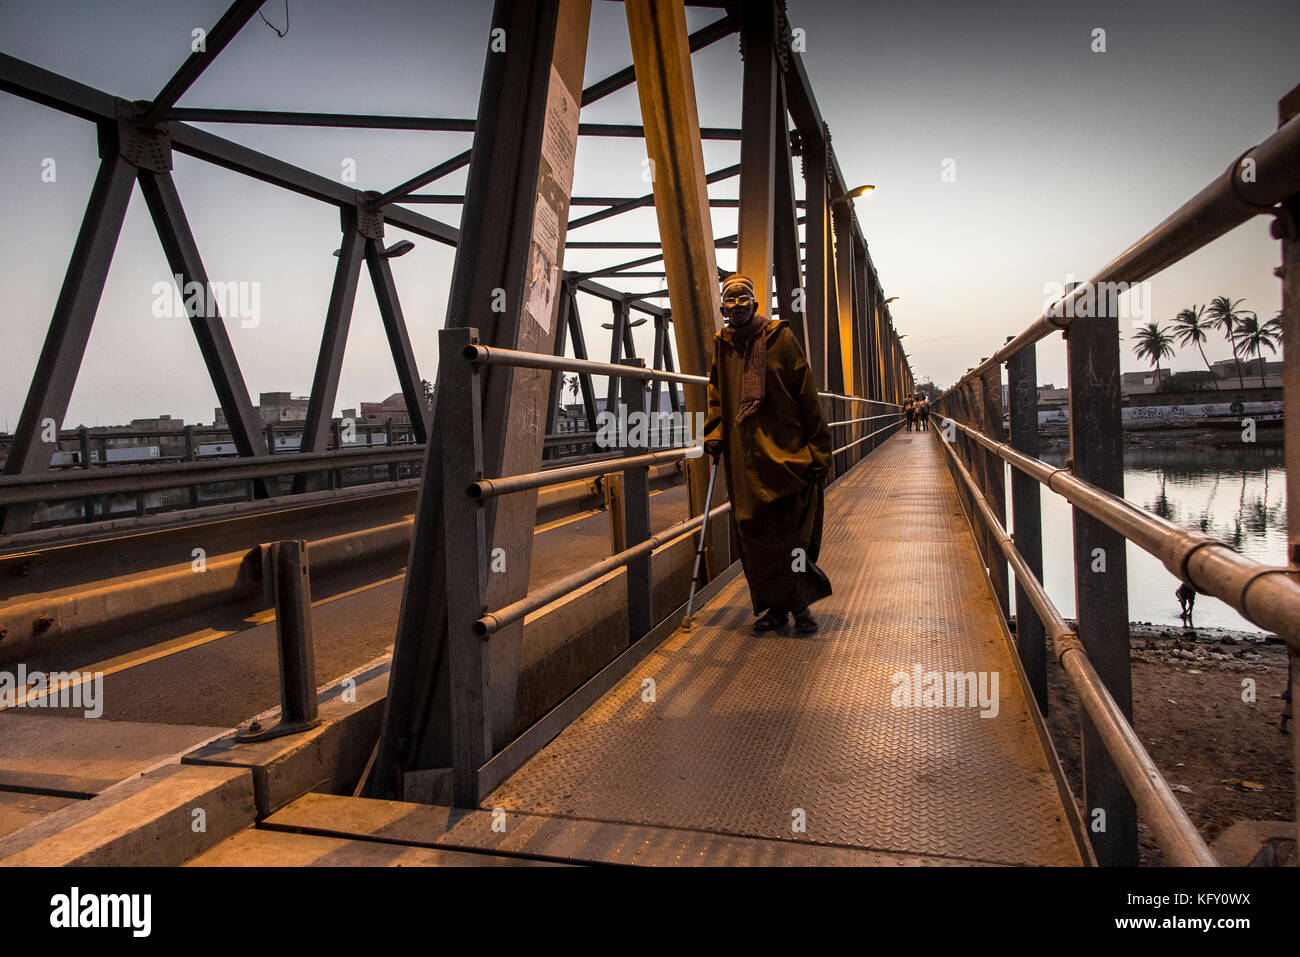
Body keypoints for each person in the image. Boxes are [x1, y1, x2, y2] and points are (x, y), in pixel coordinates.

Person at [703, 274, 833, 634]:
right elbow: (716, 395)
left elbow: (807, 396)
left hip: (788, 455)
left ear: (756, 304)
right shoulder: (723, 344)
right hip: (746, 462)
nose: (737, 305)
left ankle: (800, 606)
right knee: (754, 538)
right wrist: (714, 433)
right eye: (730, 300)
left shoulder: (781, 339)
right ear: (722, 309)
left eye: (744, 298)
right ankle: (773, 609)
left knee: (792, 537)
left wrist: (819, 451)